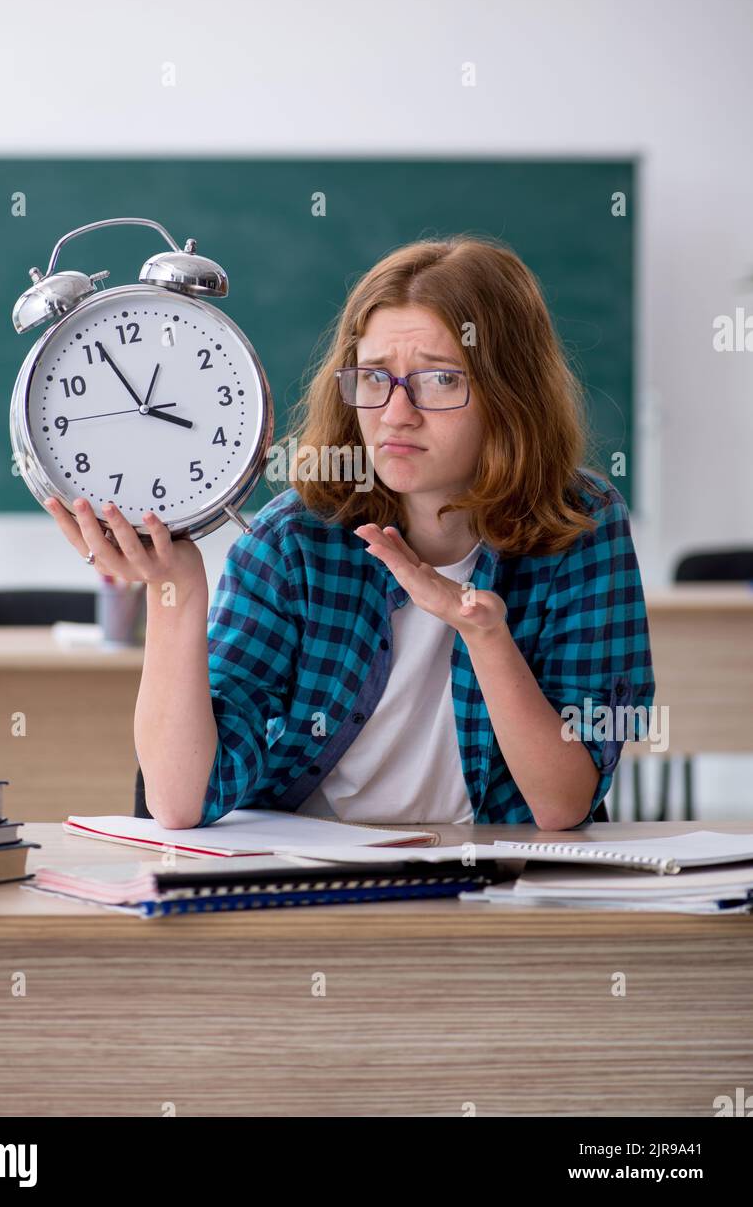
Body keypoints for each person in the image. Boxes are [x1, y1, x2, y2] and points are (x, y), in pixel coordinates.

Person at [44, 234, 655, 831]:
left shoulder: (581, 523)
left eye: (439, 379)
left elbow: (561, 806)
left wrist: (485, 635)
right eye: (373, 376)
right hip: (310, 894)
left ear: (509, 392)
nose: (395, 413)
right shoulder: (293, 542)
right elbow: (179, 803)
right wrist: (173, 593)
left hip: (488, 887)